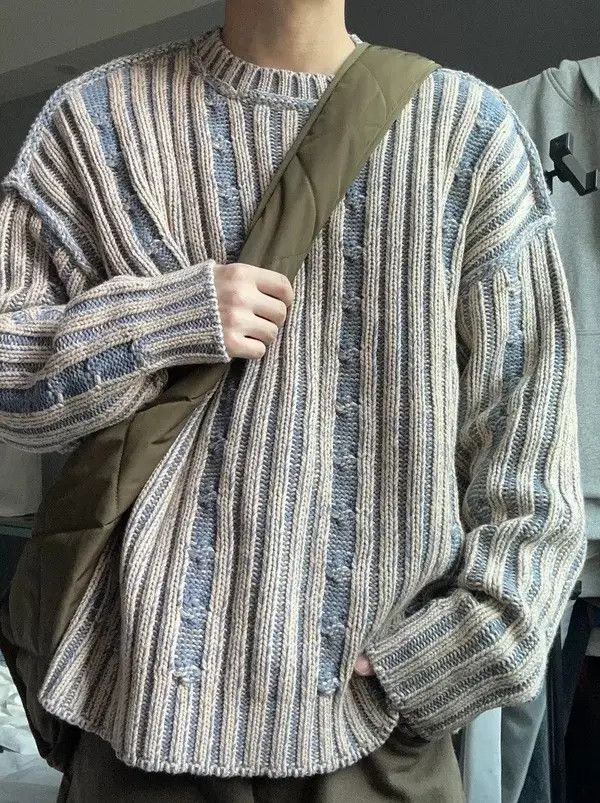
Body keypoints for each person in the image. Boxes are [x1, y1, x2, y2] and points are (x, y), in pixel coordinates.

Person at [0, 1, 585, 800]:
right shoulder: (94, 124)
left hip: (369, 731)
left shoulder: (466, 133)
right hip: (135, 716)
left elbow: (531, 436)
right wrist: (170, 316)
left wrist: (463, 651)